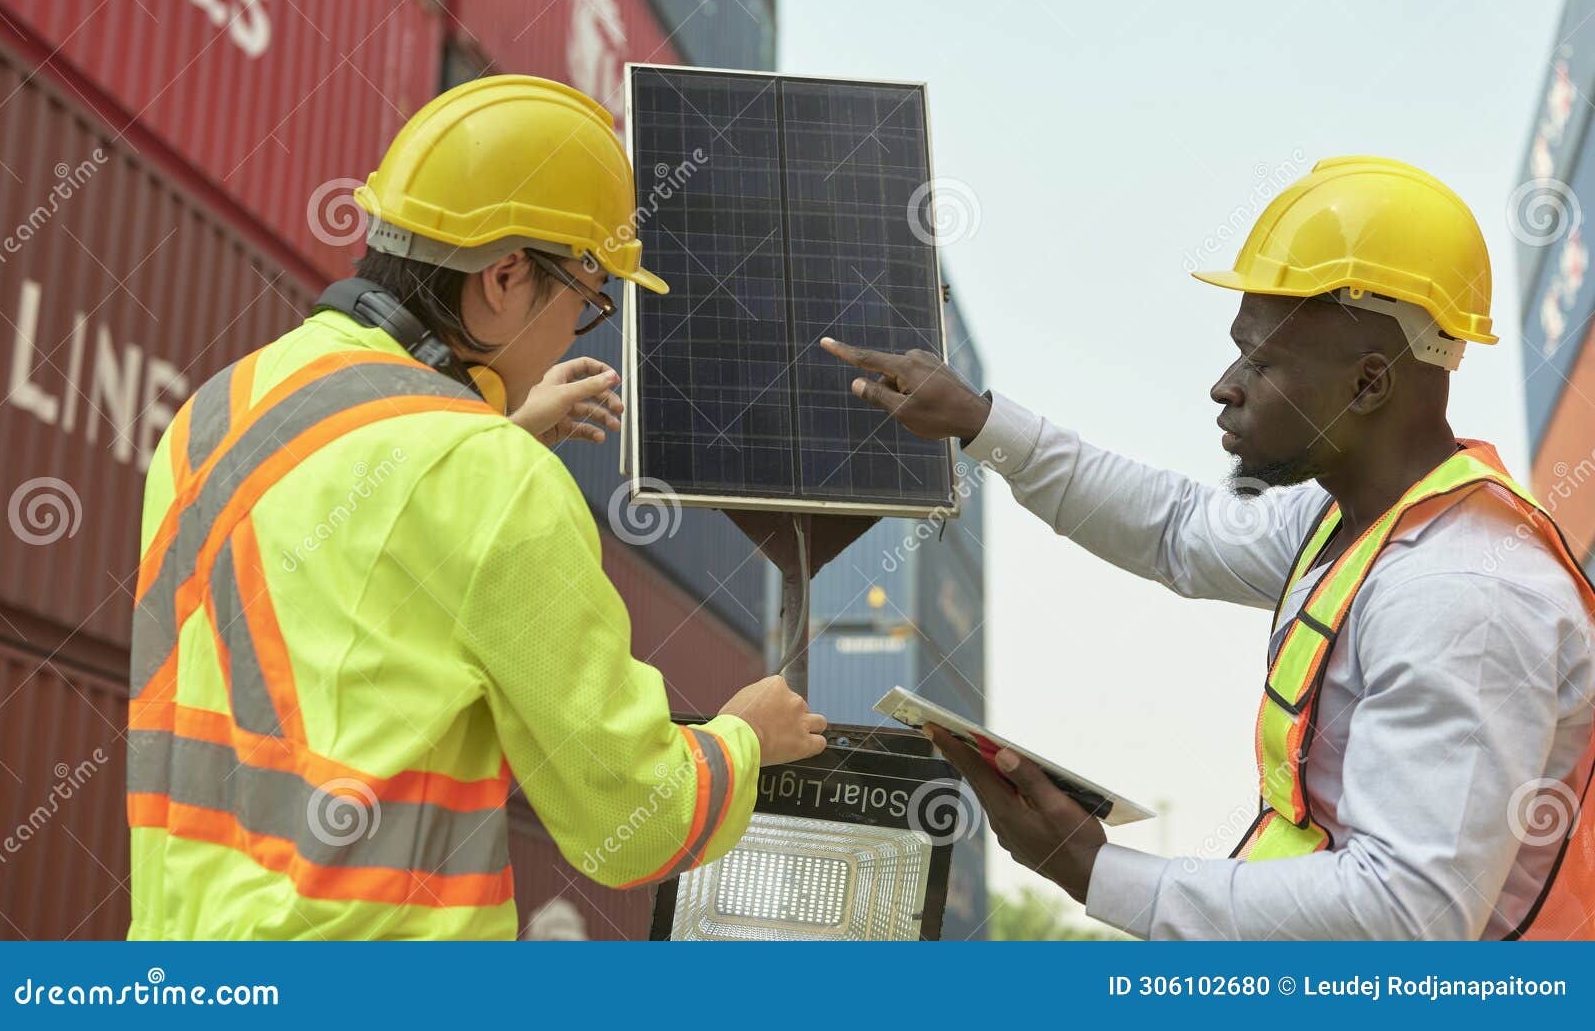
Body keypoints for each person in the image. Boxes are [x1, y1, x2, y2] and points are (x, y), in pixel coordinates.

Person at [824, 155, 1595, 940]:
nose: (1226, 384)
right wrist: (981, 424)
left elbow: (1406, 915)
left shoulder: (1464, 592)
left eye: (1261, 361)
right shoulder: (1349, 524)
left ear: (1369, 384)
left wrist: (1091, 869)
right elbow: (1178, 530)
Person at [127, 76, 825, 940]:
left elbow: (357, 568)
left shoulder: (213, 415)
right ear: (503, 276)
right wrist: (742, 739)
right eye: (588, 299)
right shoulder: (492, 480)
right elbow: (630, 819)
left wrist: (495, 429)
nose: (581, 325)